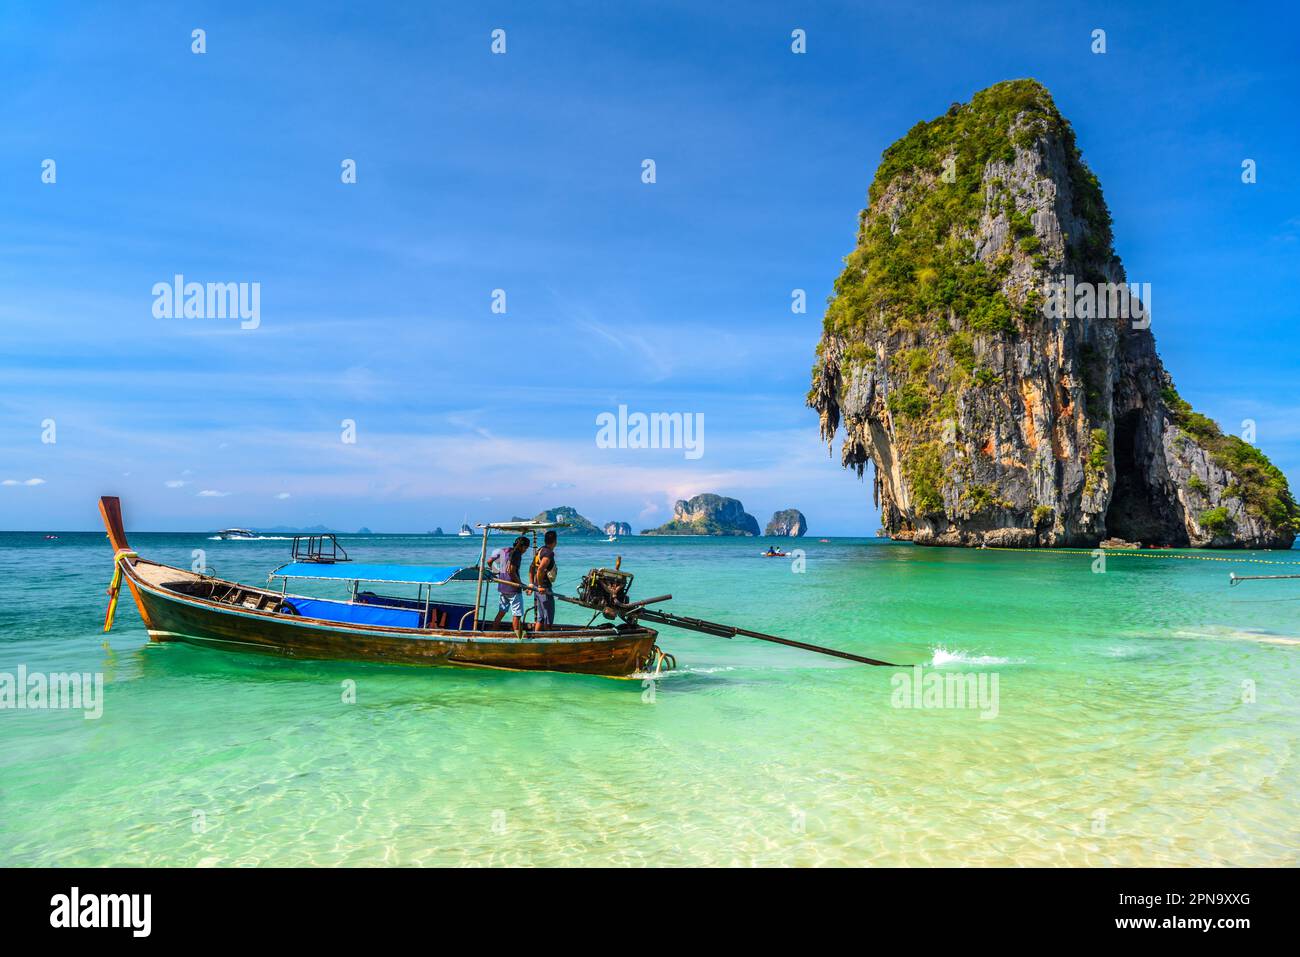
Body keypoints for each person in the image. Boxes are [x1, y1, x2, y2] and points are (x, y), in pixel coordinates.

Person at [488, 536, 530, 637]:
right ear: (522, 547)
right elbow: (511, 571)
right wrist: (521, 584)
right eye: (526, 548)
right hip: (513, 588)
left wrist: (496, 572)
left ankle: (493, 632)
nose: (525, 551)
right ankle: (517, 637)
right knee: (517, 614)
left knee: (501, 612)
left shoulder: (504, 550)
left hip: (503, 586)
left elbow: (489, 561)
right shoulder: (517, 554)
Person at [530, 530, 558, 632]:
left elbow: (532, 567)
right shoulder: (548, 553)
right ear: (555, 541)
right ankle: (548, 639)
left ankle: (536, 638)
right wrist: (541, 585)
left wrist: (532, 584)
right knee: (548, 618)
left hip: (538, 588)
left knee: (541, 618)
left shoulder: (540, 550)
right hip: (544, 589)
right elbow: (540, 569)